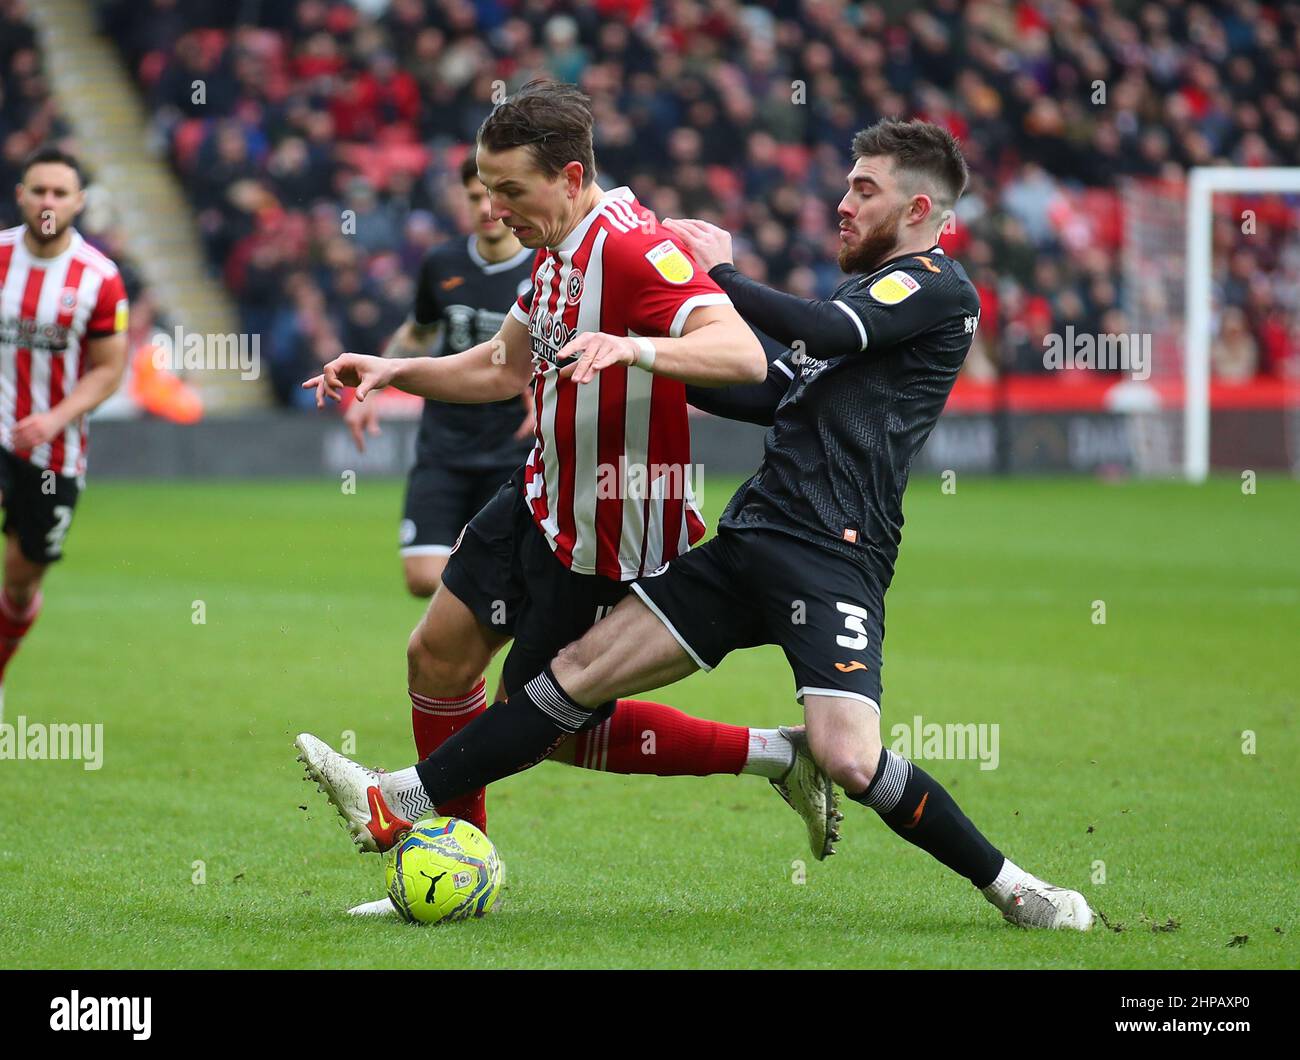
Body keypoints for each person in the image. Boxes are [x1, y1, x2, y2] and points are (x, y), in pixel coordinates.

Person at [299, 118, 1094, 930]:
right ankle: (396, 797)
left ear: (921, 207)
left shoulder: (936, 286)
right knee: (573, 677)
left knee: (849, 755)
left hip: (833, 552)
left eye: (864, 189)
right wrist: (634, 359)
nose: (842, 203)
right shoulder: (855, 294)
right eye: (847, 184)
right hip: (753, 536)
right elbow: (765, 392)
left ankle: (1016, 890)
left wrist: (715, 279)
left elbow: (813, 334)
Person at [302, 82, 840, 906]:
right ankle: (447, 860)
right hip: (545, 490)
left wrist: (633, 348)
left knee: (543, 719)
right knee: (437, 656)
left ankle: (777, 753)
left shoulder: (632, 249)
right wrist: (393, 371)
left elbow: (741, 358)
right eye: (486, 188)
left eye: (511, 190)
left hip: (611, 523)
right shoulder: (556, 241)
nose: (496, 207)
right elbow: (504, 366)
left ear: (571, 175)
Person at [343, 155, 535, 600]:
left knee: (503, 574)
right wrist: (374, 383)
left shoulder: (543, 267)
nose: (487, 210)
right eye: (474, 198)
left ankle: (467, 663)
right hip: (445, 441)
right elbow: (418, 331)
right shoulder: (441, 263)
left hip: (513, 446)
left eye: (496, 198)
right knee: (424, 578)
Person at [0, 146, 129, 721]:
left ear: (78, 202)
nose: (48, 202)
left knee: (22, 580)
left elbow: (108, 368)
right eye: (39, 190)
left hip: (54, 451)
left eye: (60, 193)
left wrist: (53, 417)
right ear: (21, 195)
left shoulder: (99, 278)